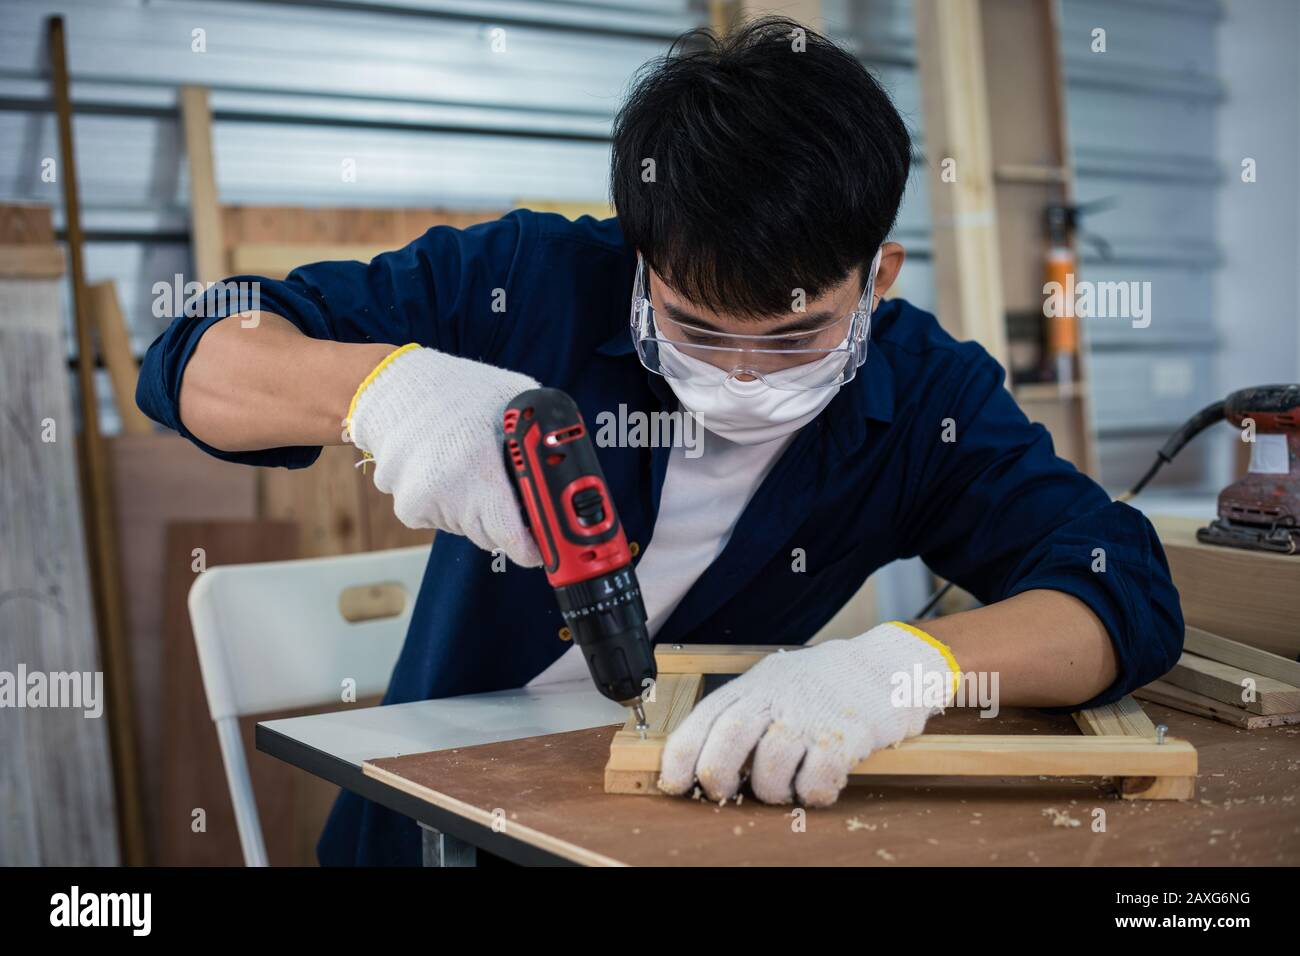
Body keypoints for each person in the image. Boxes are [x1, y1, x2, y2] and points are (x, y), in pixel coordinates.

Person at [138, 18, 1182, 865]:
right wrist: (378, 388)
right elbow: (188, 358)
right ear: (640, 262)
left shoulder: (924, 397)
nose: (738, 377)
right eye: (694, 327)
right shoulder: (526, 282)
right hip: (425, 830)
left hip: (671, 829)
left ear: (879, 277)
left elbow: (1120, 589)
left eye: (793, 337)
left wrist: (899, 670)